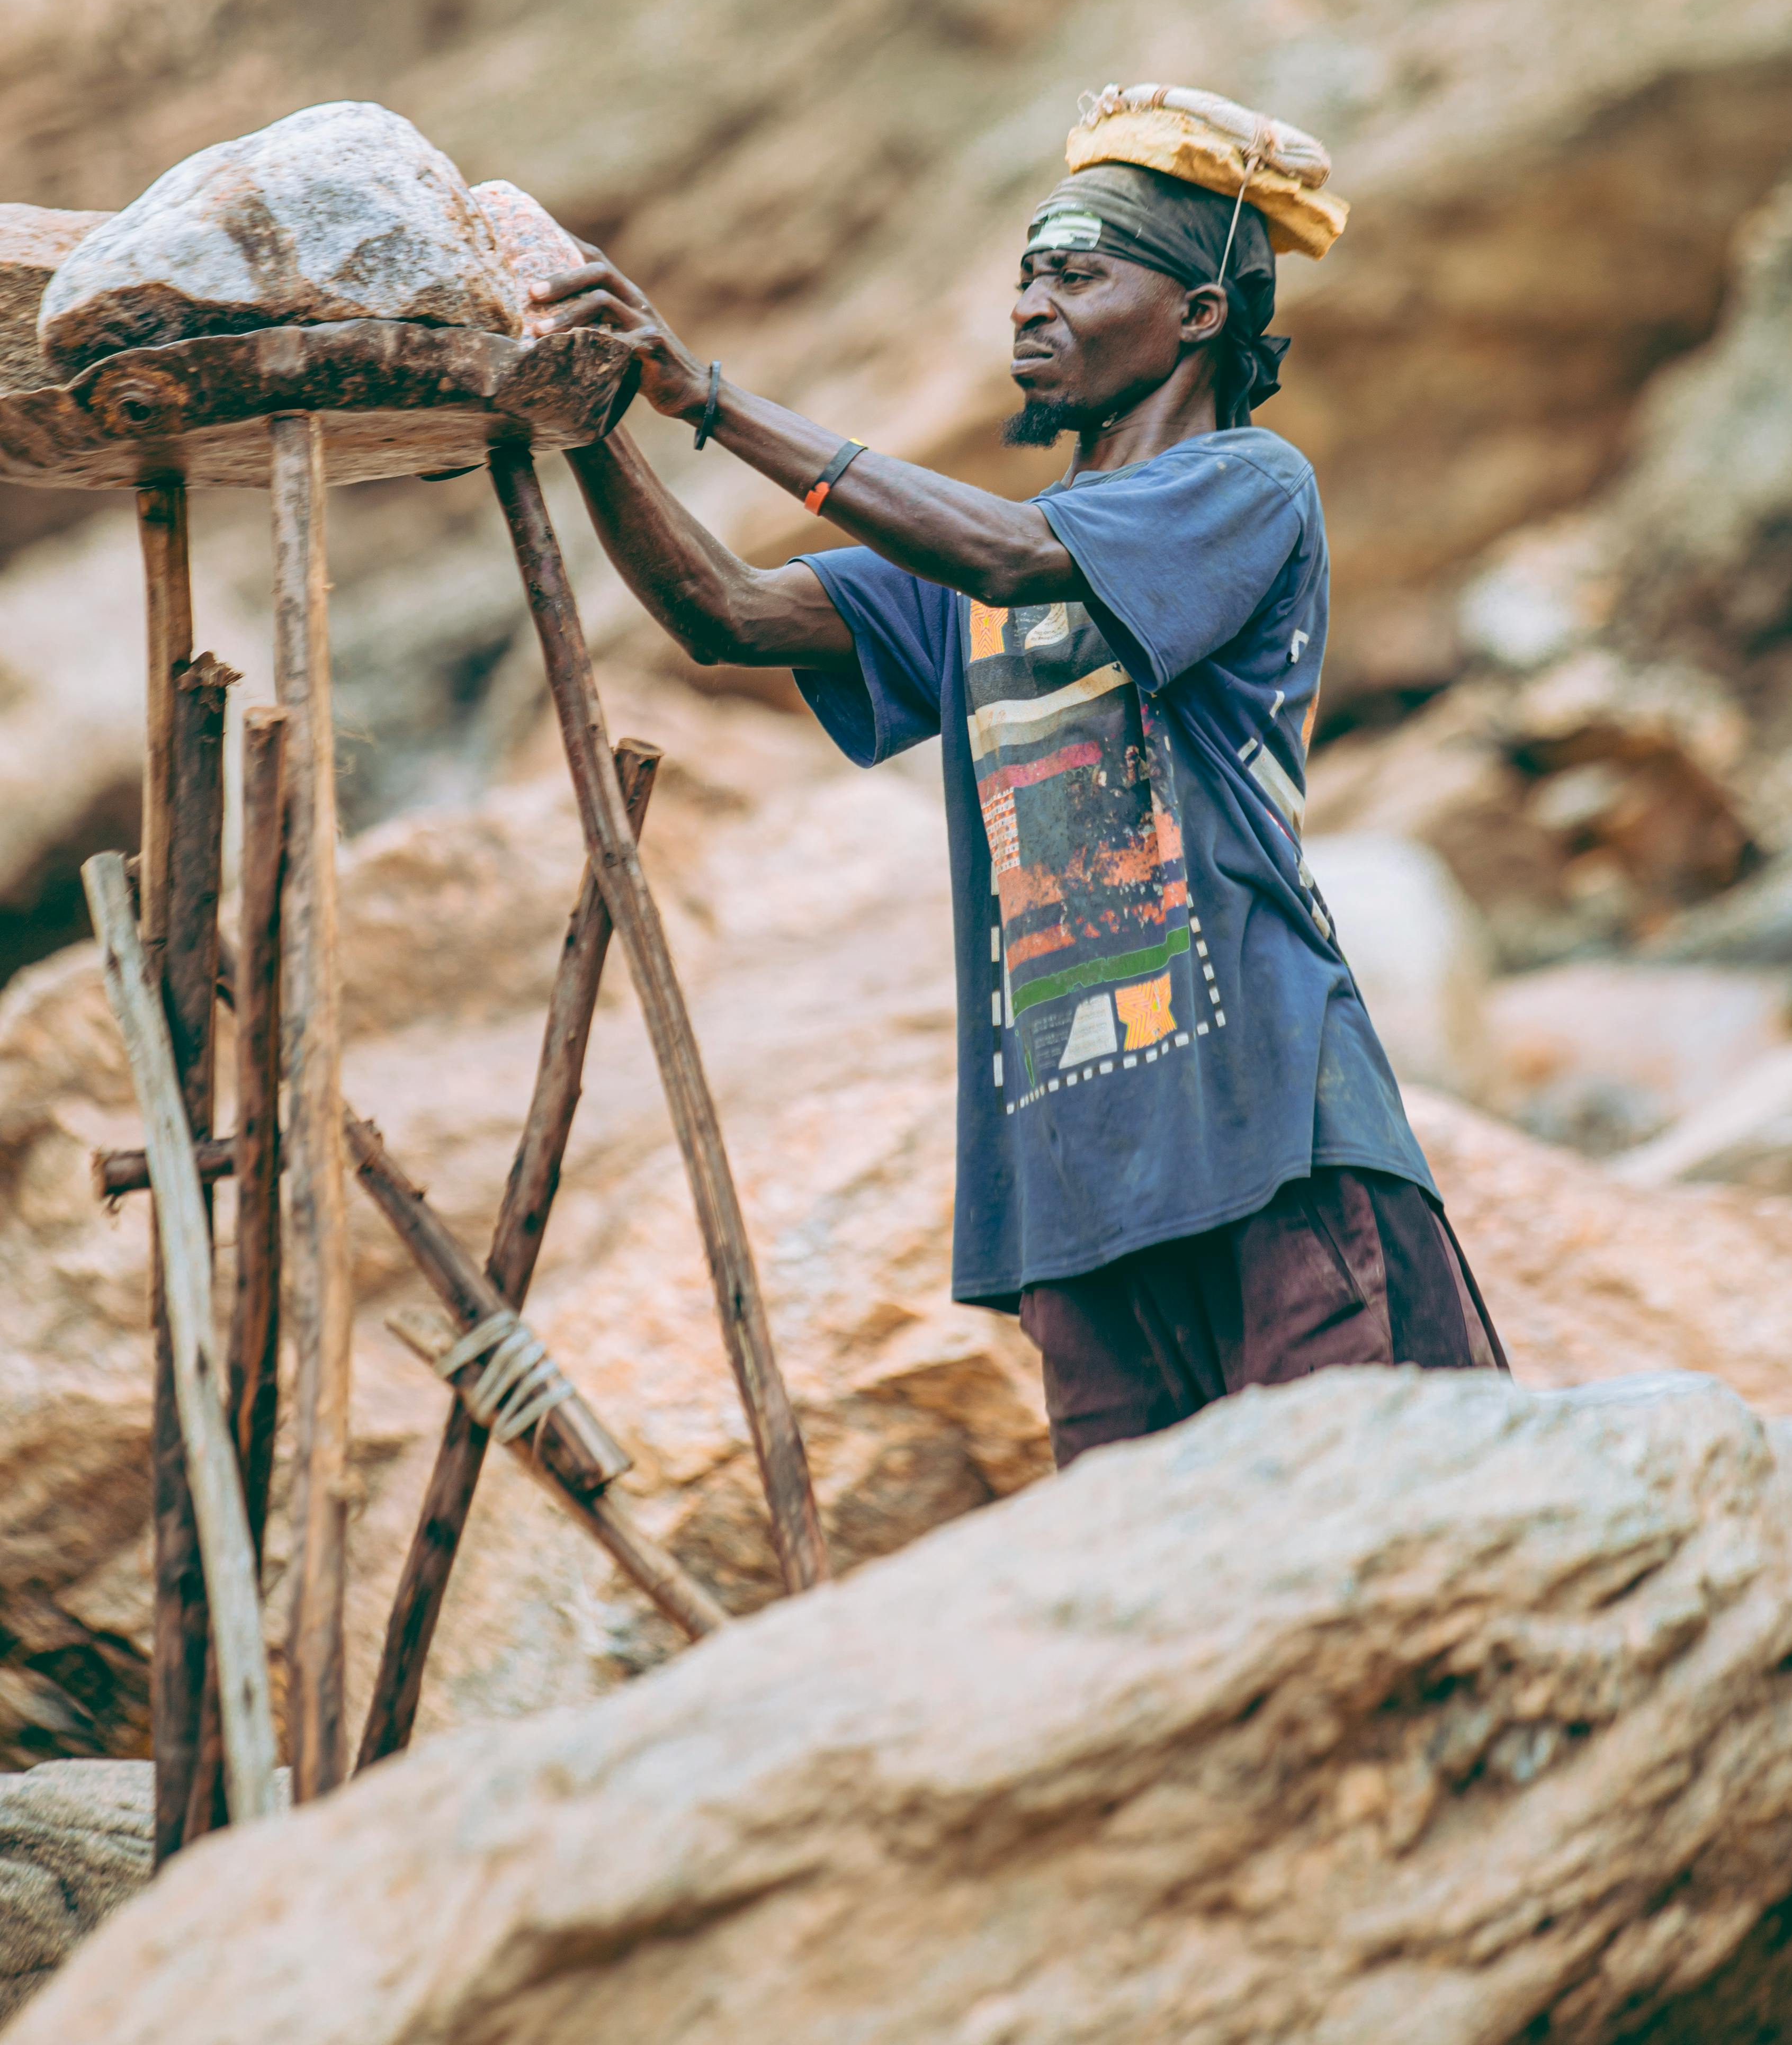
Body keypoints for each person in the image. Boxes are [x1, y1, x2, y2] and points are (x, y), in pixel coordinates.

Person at [534, 83, 1505, 1467]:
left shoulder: (1245, 485)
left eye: (1076, 272)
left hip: (1266, 1123)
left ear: (1199, 316)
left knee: (1363, 1513)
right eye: (1025, 276)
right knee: (1144, 1591)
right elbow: (728, 613)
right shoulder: (975, 566)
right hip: (1073, 1167)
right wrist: (580, 422)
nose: (1028, 307)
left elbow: (1016, 556)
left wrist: (711, 399)